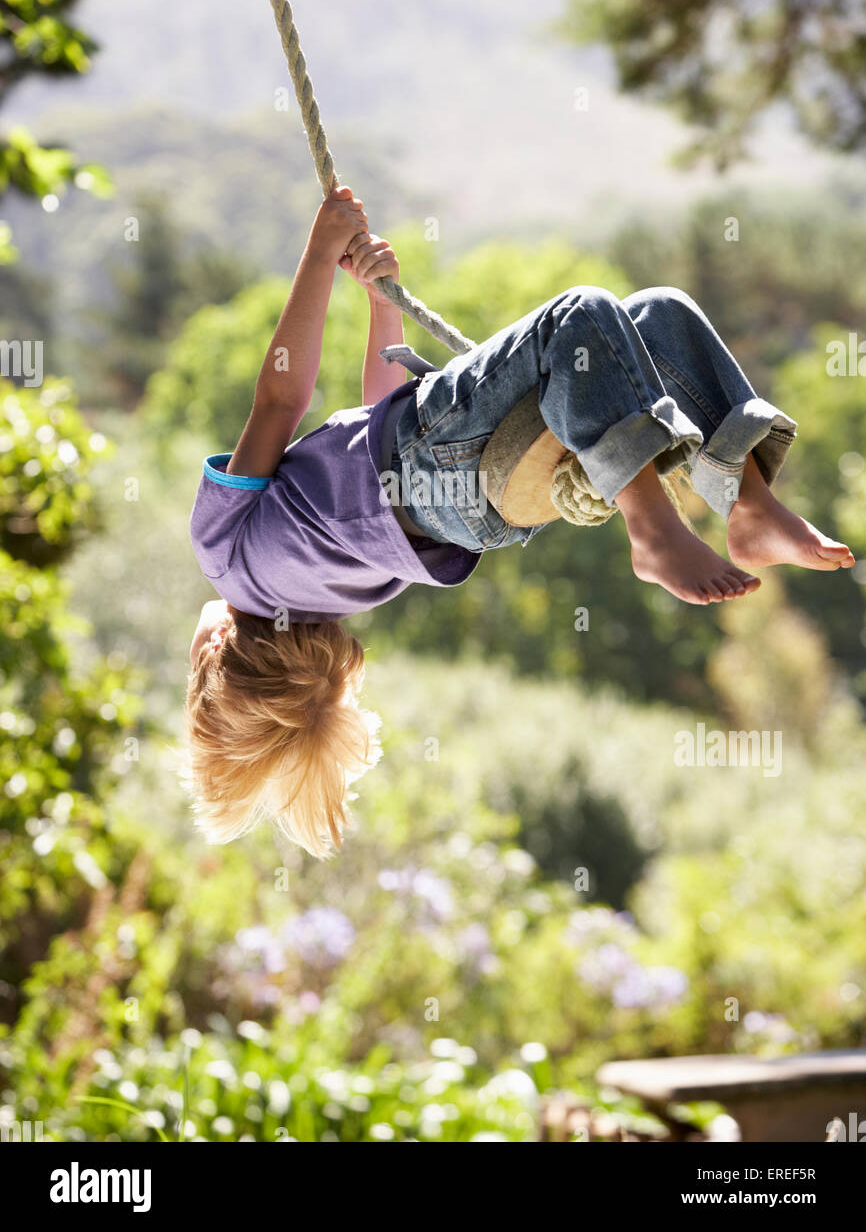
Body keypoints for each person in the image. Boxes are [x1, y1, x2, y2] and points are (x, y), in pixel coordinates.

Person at [185, 186, 854, 858]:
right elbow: (279, 400)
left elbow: (374, 435)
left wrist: (380, 309)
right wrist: (319, 251)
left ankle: (748, 503)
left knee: (654, 320)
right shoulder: (226, 556)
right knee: (579, 316)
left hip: (482, 512)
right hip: (432, 454)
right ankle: (653, 525)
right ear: (213, 655)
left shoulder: (332, 597)